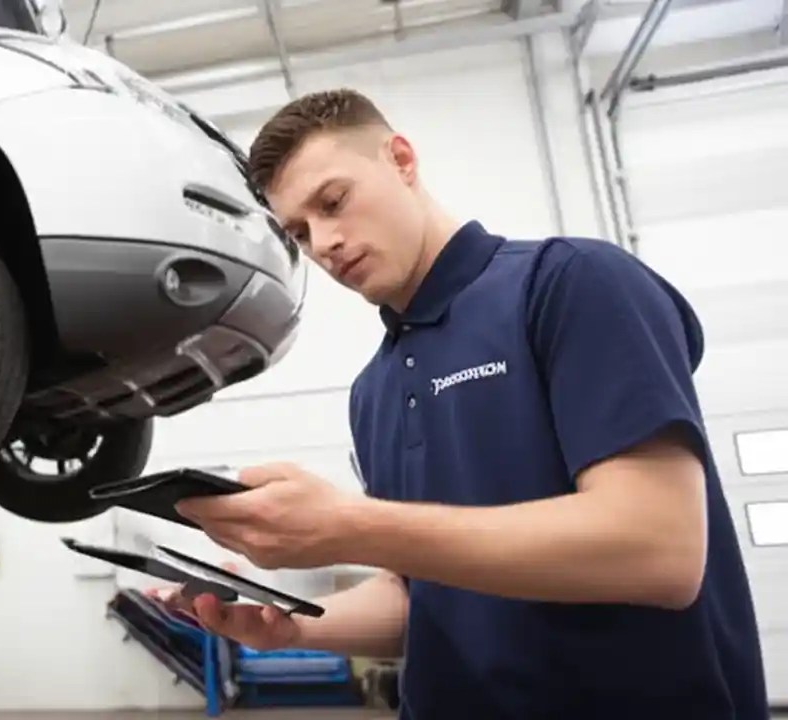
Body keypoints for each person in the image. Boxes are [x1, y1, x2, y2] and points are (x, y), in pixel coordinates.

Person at [162, 89, 770, 719]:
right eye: (299, 233)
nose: (325, 243)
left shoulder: (569, 283)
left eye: (333, 202)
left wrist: (348, 525)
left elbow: (657, 549)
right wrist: (292, 626)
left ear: (400, 159)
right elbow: (422, 598)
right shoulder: (374, 391)